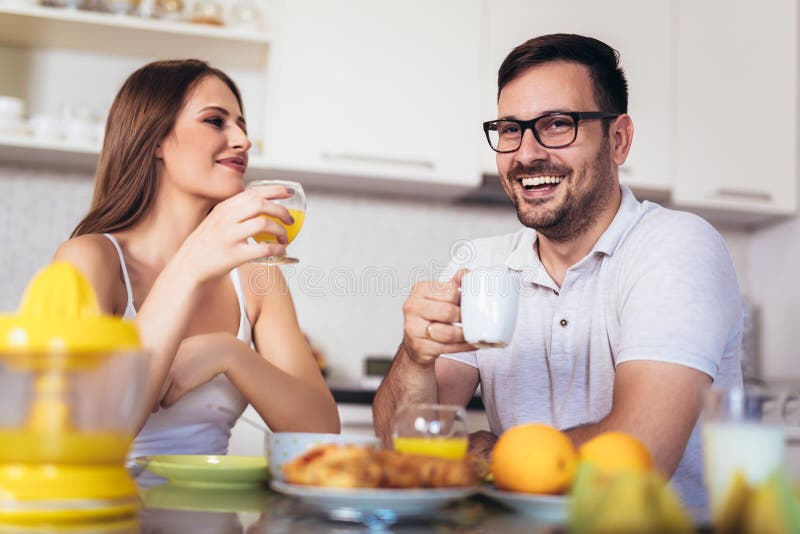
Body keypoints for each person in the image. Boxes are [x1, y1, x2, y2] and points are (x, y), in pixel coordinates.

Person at [373, 34, 742, 511]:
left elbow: (638, 456)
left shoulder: (676, 245)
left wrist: (493, 455)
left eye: (556, 124)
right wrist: (415, 356)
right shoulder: (482, 266)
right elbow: (401, 451)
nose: (526, 154)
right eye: (510, 130)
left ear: (618, 140)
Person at [55, 59, 340, 458]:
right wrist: (190, 265)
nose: (243, 140)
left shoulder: (255, 276)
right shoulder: (88, 260)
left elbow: (321, 432)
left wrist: (228, 352)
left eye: (242, 124)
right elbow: (91, 438)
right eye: (215, 121)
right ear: (154, 139)